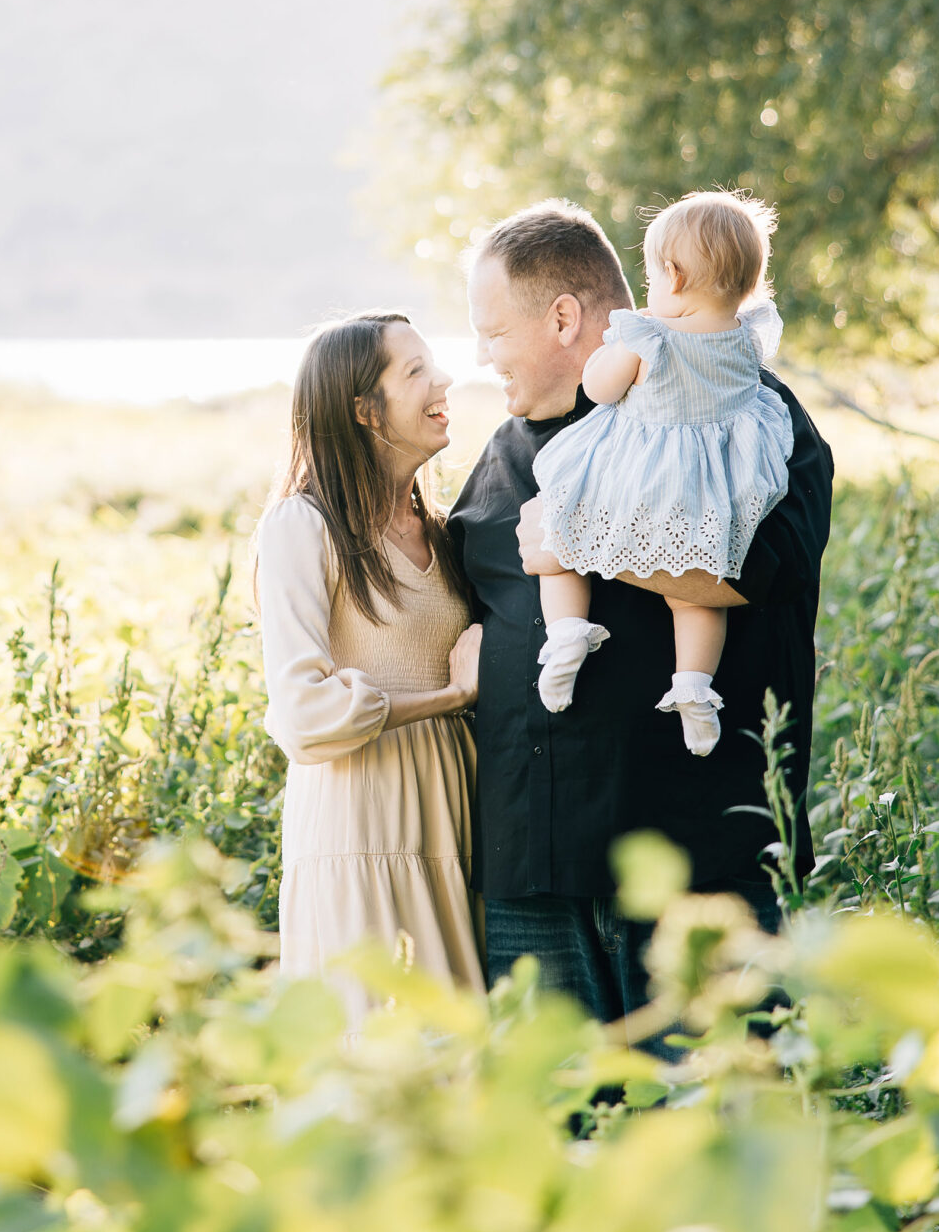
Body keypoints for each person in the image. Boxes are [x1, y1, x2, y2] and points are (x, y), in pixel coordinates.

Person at [448, 201, 833, 1035]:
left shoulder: (742, 416)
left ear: (561, 318)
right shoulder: (505, 449)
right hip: (532, 874)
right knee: (555, 1143)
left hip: (696, 877)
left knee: (713, 1140)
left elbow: (761, 573)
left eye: (492, 332)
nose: (481, 358)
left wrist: (583, 542)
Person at [256, 311, 484, 1028]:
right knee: (382, 1052)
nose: (443, 379)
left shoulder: (447, 532)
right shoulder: (302, 527)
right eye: (415, 370)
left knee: (465, 1055)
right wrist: (448, 696)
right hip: (359, 829)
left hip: (451, 819)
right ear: (363, 410)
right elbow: (302, 716)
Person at [531, 191, 794, 765]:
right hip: (707, 489)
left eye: (650, 276)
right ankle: (695, 685)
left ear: (672, 276)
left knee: (561, 531)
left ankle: (567, 631)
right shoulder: (746, 336)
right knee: (696, 596)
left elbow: (599, 388)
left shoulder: (648, 336)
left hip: (637, 475)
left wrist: (622, 340)